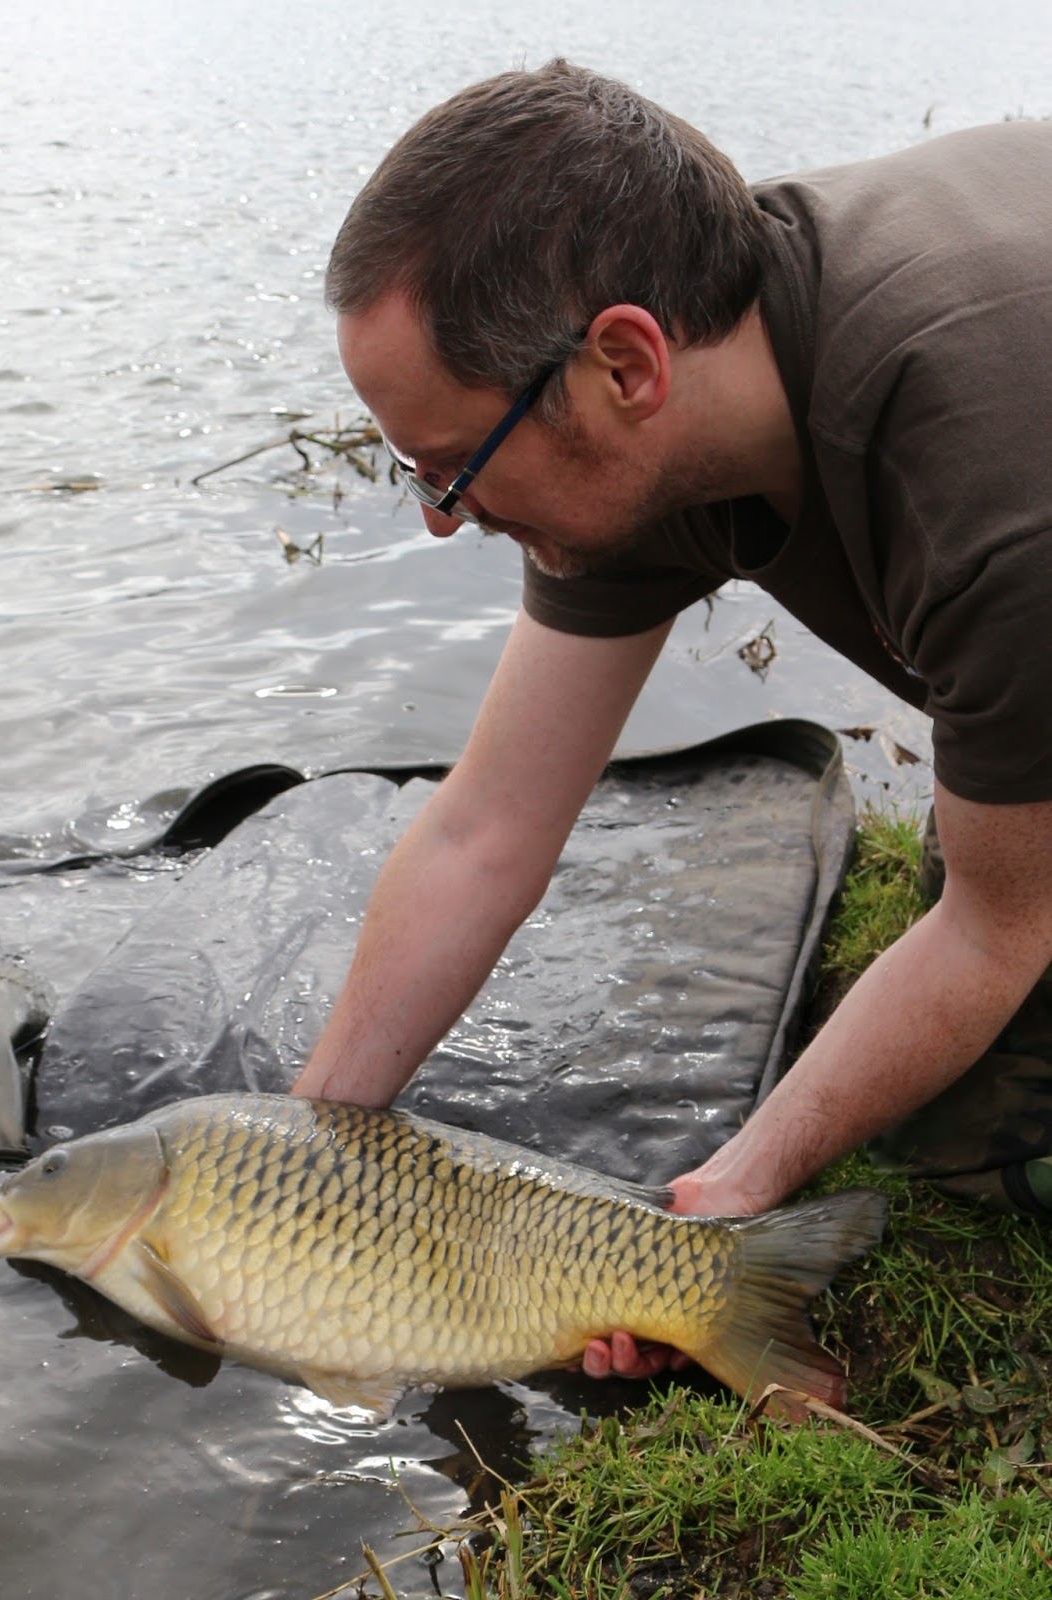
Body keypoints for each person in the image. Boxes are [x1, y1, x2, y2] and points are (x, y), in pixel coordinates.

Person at [290, 59, 1052, 1377]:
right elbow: (485, 832)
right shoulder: (672, 405)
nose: (442, 519)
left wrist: (721, 1205)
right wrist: (295, 1156)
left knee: (983, 1134)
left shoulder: (987, 485)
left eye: (451, 471)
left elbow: (998, 925)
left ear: (623, 364)